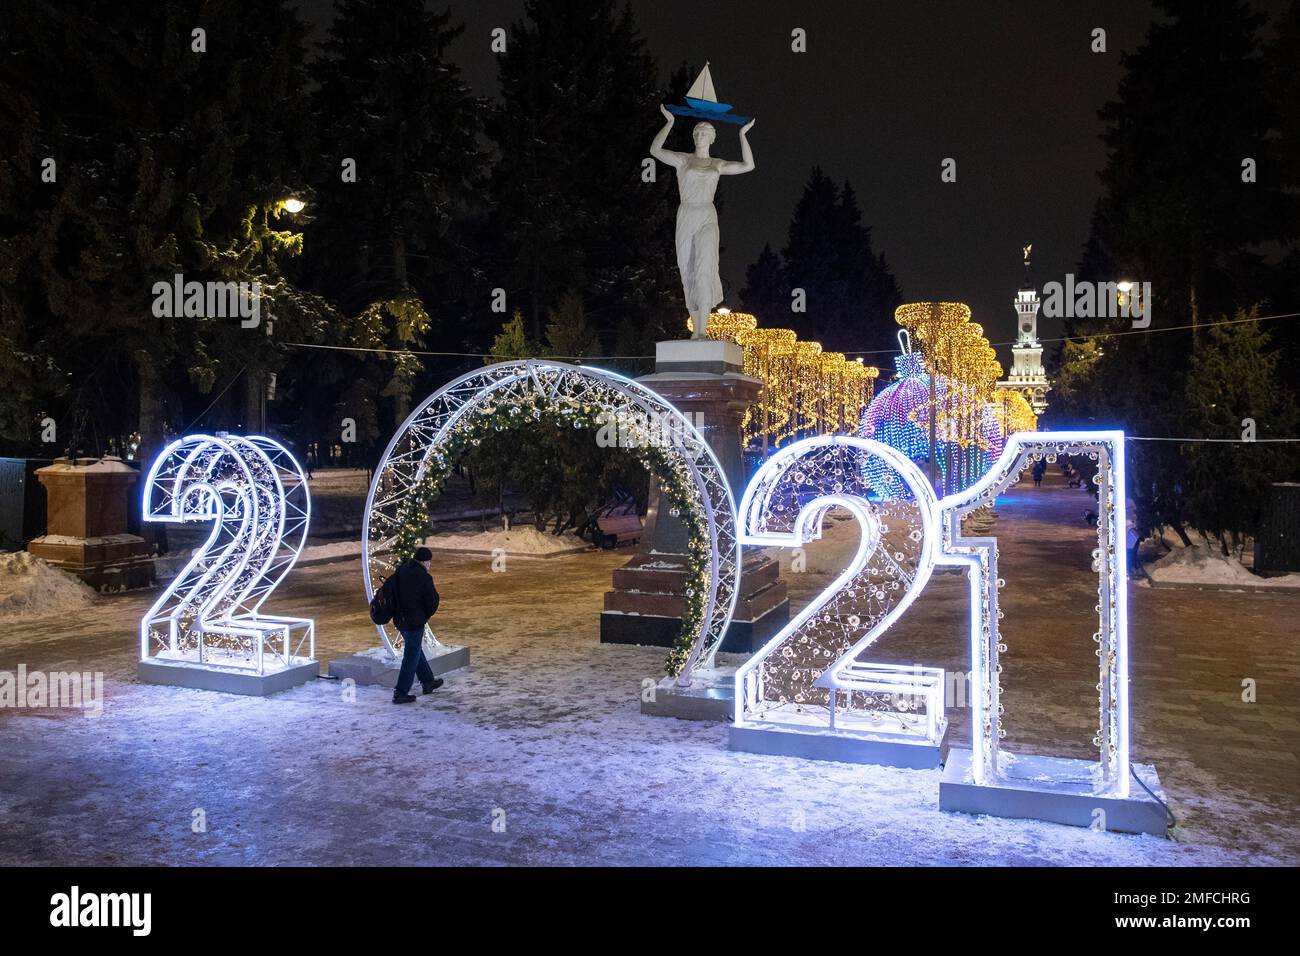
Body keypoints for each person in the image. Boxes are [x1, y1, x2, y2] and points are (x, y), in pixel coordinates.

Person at [650, 105, 756, 339]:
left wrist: (742, 136)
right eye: (697, 133)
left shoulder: (716, 164)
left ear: (712, 138)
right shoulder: (683, 160)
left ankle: (702, 331)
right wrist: (669, 122)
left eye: (704, 133)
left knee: (704, 269)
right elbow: (655, 150)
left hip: (707, 215)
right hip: (686, 213)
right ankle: (696, 330)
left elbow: (748, 165)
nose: (699, 136)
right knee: (687, 271)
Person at [391, 546, 443, 704]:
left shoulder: (401, 570)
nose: (429, 565)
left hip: (400, 619)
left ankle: (428, 681)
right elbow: (432, 601)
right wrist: (424, 615)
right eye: (429, 562)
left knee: (415, 650)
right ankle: (400, 692)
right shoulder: (424, 577)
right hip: (414, 621)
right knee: (411, 655)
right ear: (425, 562)